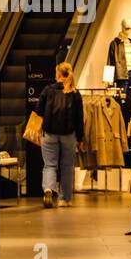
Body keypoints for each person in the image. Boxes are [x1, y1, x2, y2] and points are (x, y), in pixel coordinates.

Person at [38, 62, 85, 208]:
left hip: (49, 134)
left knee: (49, 165)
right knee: (67, 166)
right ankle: (65, 199)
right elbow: (79, 119)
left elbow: (39, 111)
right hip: (68, 135)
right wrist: (81, 138)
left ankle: (48, 189)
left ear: (58, 75)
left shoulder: (47, 90)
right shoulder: (75, 94)